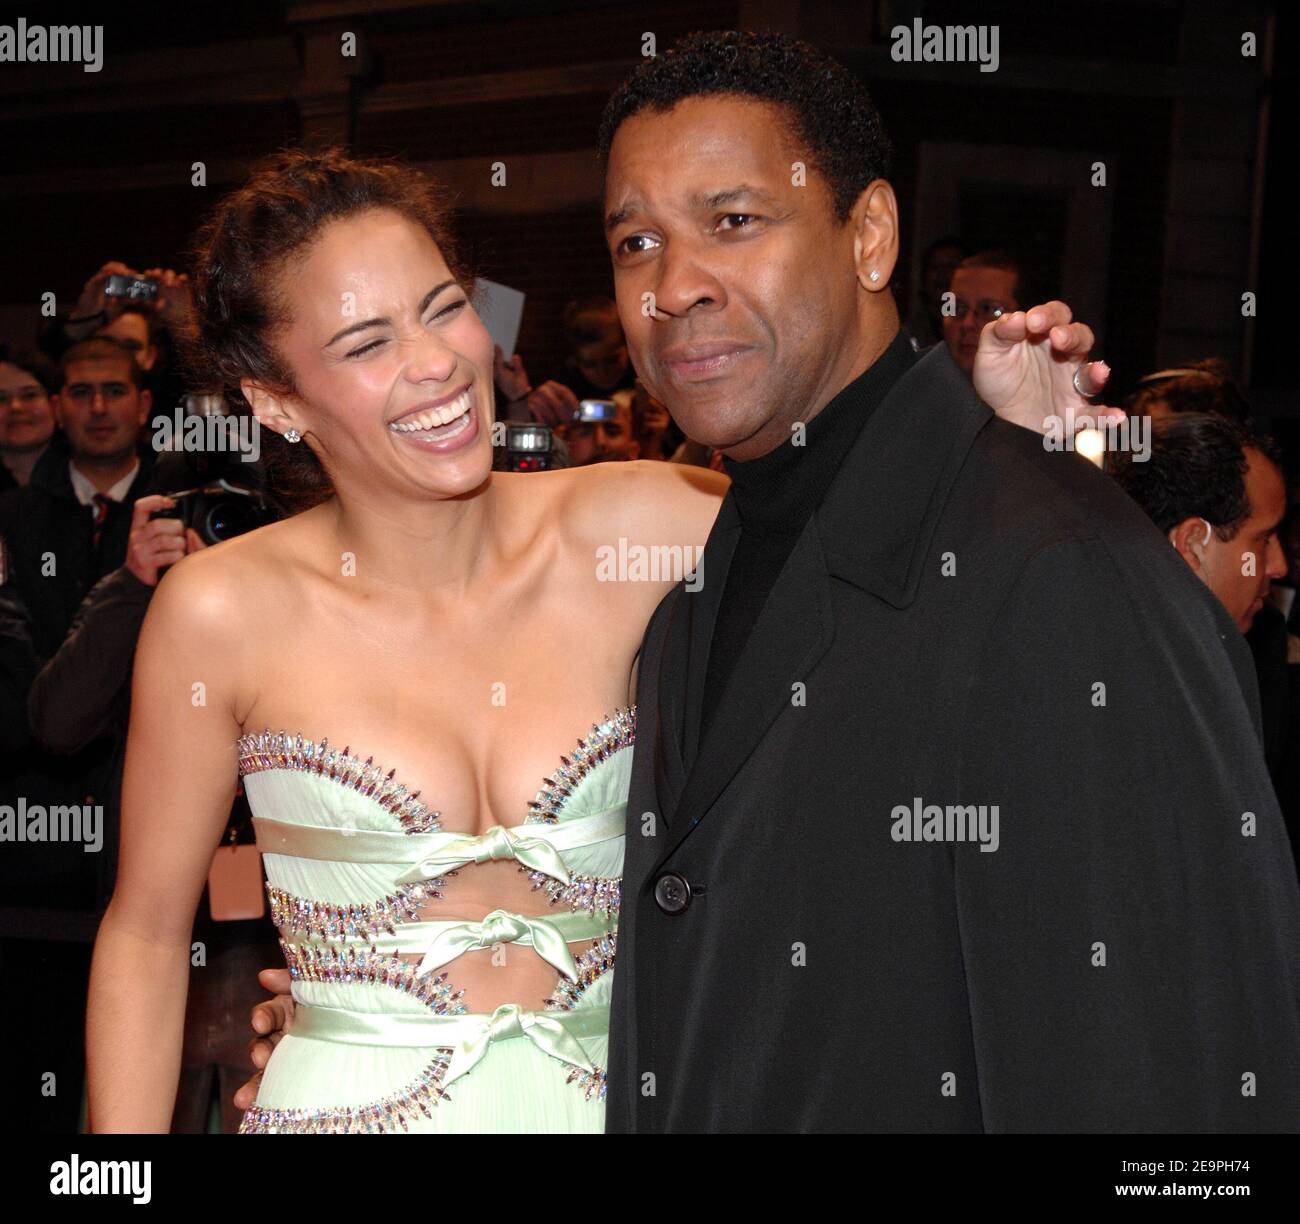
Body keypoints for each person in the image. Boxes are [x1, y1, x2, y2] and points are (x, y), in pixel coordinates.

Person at [103, 143, 1082, 1134]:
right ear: (274, 399)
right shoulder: (219, 612)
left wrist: (1008, 446)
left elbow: (903, 572)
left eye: (444, 308)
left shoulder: (645, 527)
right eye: (366, 344)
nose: (436, 363)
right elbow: (145, 936)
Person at [587, 30, 1296, 1132]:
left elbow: (1174, 1076)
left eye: (734, 222)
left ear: (869, 236)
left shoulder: (1063, 566)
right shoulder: (701, 567)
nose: (674, 287)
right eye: (637, 242)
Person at [942, 249, 1042, 381]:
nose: (967, 324)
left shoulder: (1036, 389)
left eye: (988, 309)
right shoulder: (920, 382)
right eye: (957, 308)